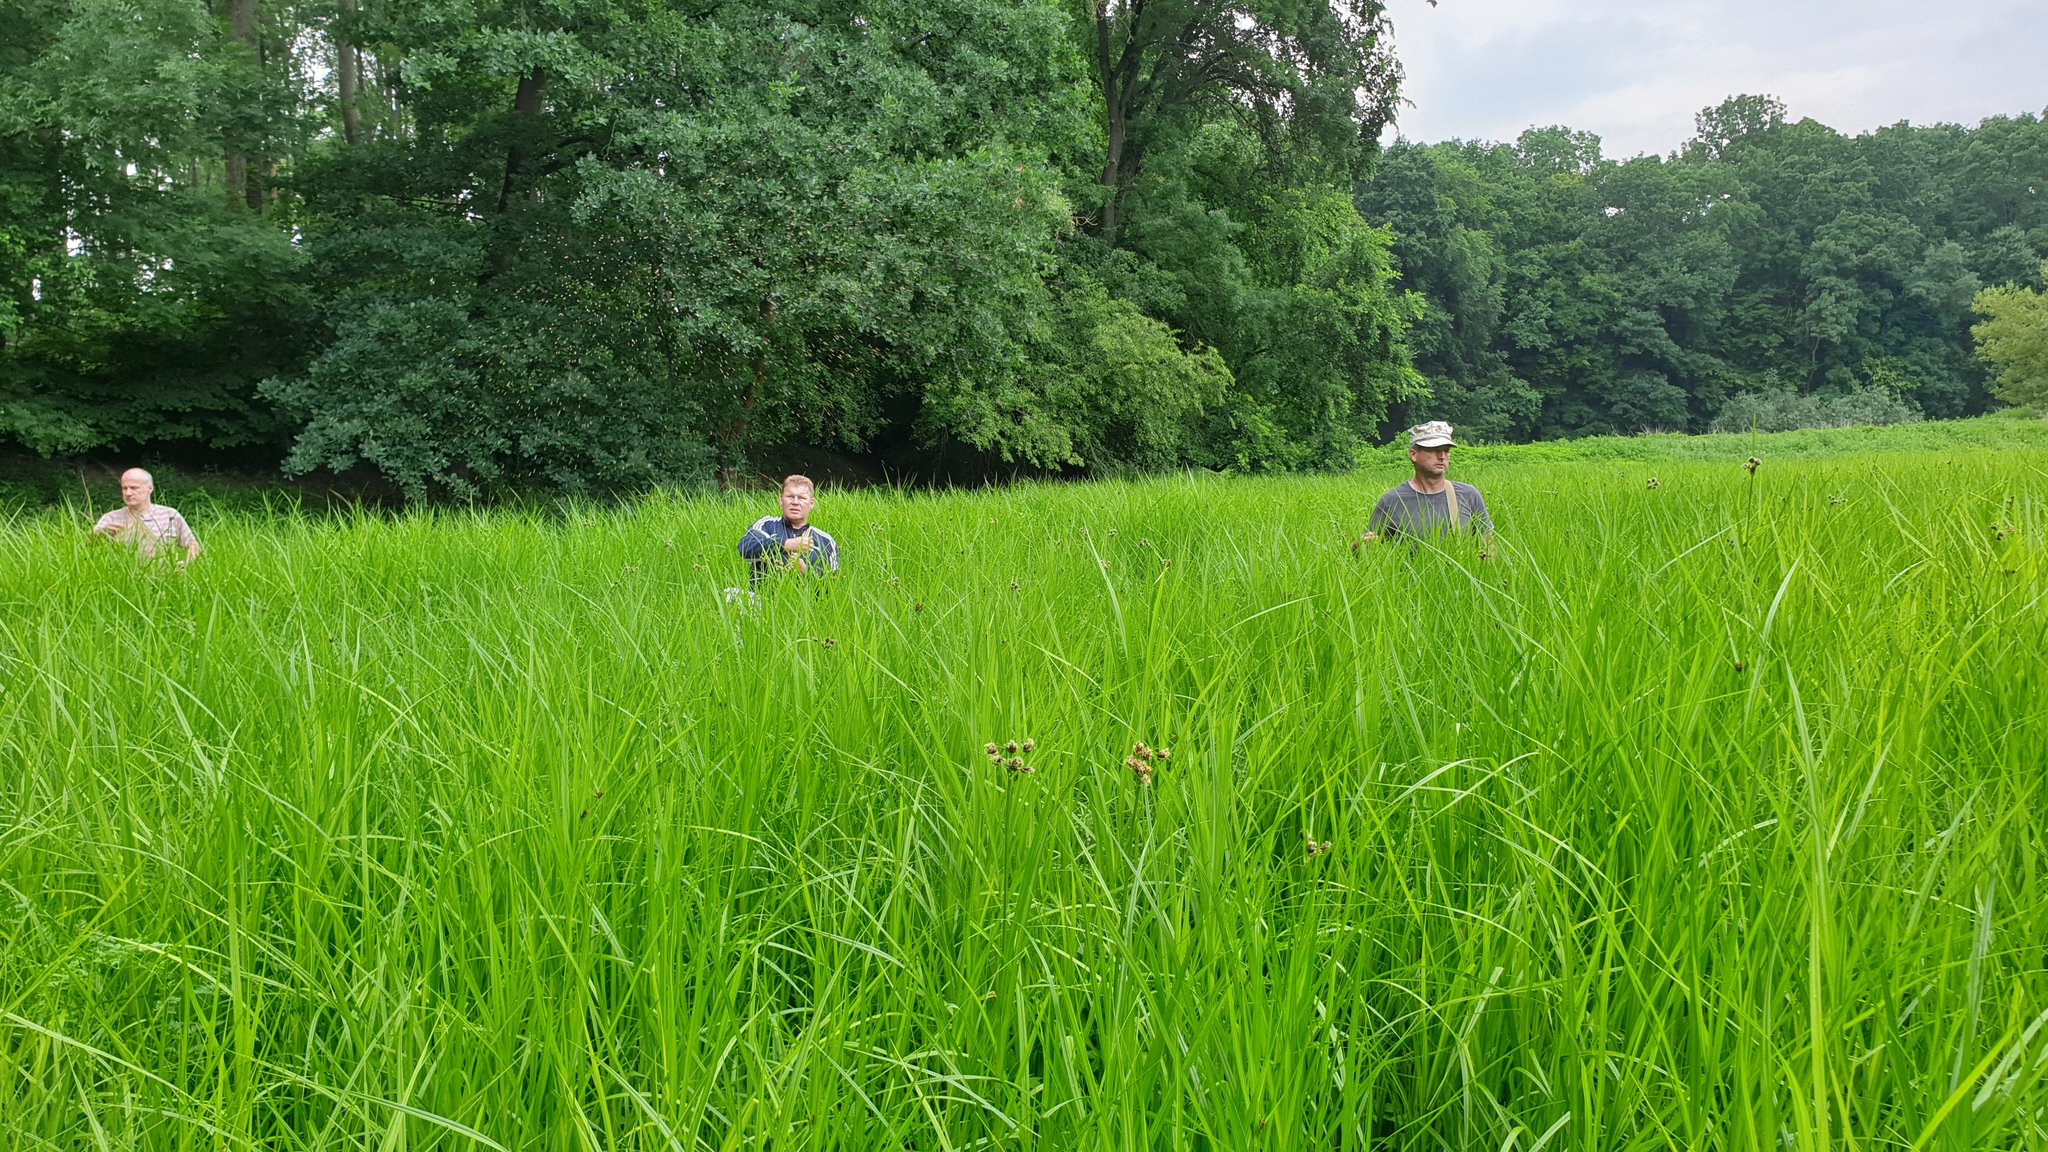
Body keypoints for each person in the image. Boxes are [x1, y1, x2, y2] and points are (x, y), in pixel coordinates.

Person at [1356, 421, 1492, 551]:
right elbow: (1367, 550)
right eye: (1434, 450)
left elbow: (1488, 547)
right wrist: (1358, 547)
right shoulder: (1392, 500)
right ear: (1413, 455)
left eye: (1446, 450)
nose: (1442, 456)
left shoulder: (1468, 494)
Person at [738, 474, 838, 586]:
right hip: (763, 599)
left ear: (811, 504)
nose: (795, 502)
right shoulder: (766, 525)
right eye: (790, 497)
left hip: (806, 602)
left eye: (801, 498)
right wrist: (785, 544)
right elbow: (745, 548)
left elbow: (832, 585)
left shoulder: (826, 541)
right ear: (781, 501)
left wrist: (806, 572)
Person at [93, 467, 201, 565]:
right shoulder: (111, 518)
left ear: (150, 488)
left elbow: (193, 545)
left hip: (166, 581)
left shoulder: (170, 515)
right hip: (125, 582)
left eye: (134, 488)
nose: (128, 493)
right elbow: (88, 549)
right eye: (124, 488)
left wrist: (185, 565)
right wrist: (98, 536)